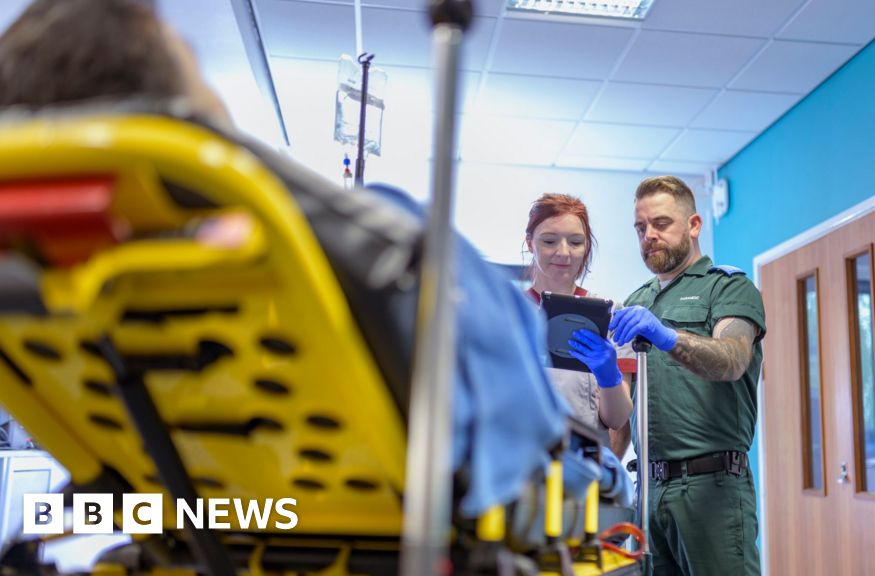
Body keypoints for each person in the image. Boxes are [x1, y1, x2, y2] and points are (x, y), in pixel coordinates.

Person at [0, 0, 570, 518]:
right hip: (412, 497)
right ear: (182, 108)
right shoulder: (364, 233)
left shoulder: (34, 287)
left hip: (188, 506)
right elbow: (527, 423)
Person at [609, 176, 766, 576]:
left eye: (661, 223)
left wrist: (665, 336)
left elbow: (732, 360)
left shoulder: (728, 289)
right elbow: (625, 409)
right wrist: (603, 473)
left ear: (694, 225)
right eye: (640, 228)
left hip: (711, 490)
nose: (649, 235)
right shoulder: (637, 301)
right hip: (649, 490)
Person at [523, 193, 632, 453]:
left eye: (575, 242)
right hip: (523, 461)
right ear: (530, 243)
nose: (563, 253)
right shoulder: (510, 313)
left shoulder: (610, 315)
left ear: (587, 246)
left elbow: (617, 419)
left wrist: (608, 375)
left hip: (583, 465)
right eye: (549, 241)